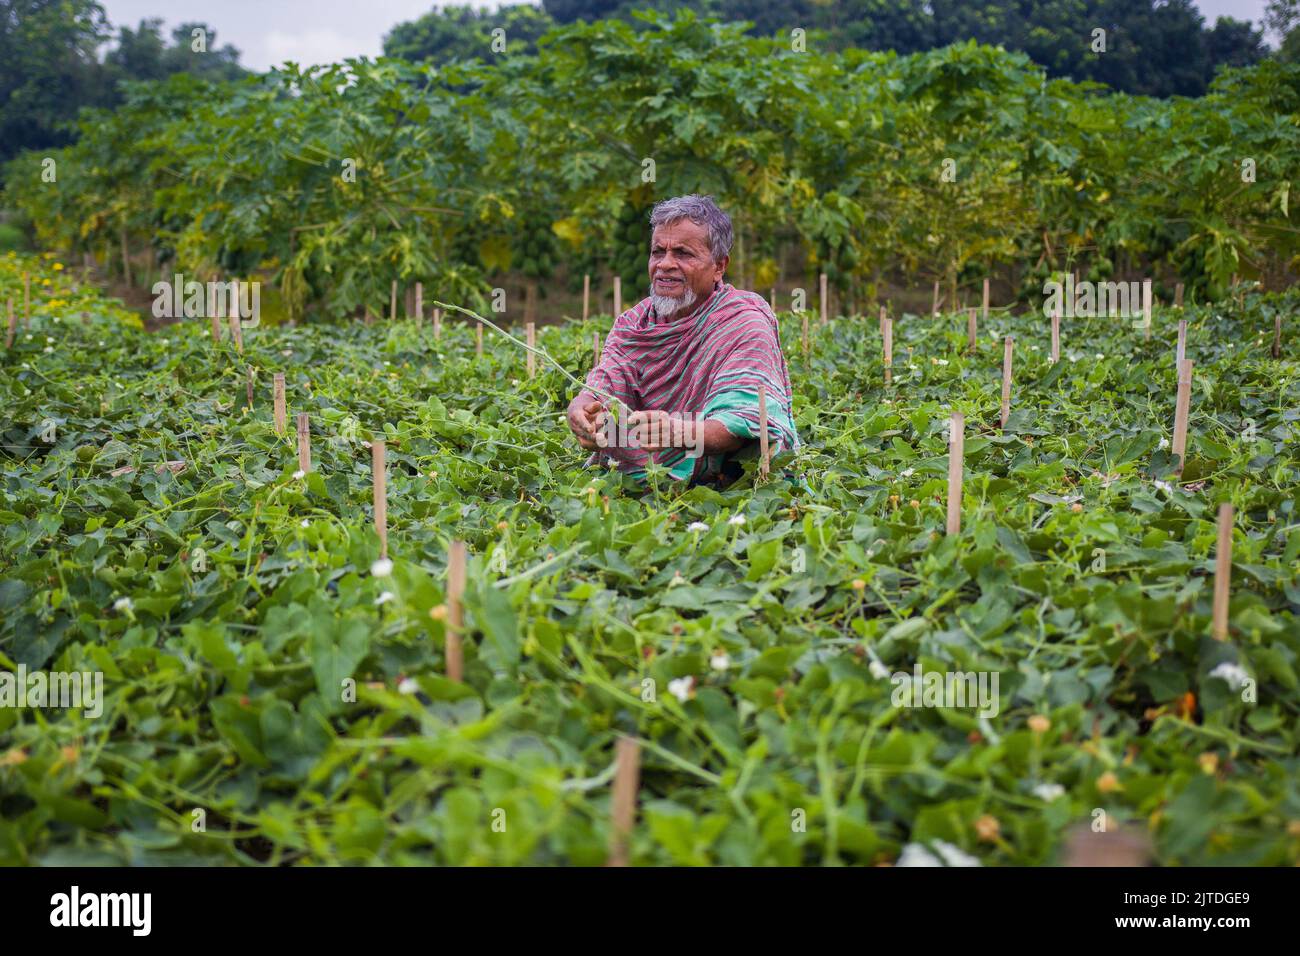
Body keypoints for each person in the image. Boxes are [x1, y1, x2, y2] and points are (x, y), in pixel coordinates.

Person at [566, 194, 798, 488]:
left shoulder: (743, 323)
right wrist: (581, 410)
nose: (665, 264)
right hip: (633, 487)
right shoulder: (633, 324)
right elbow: (603, 385)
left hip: (724, 492)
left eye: (683, 253)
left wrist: (677, 432)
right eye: (658, 252)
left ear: (719, 266)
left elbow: (745, 421)